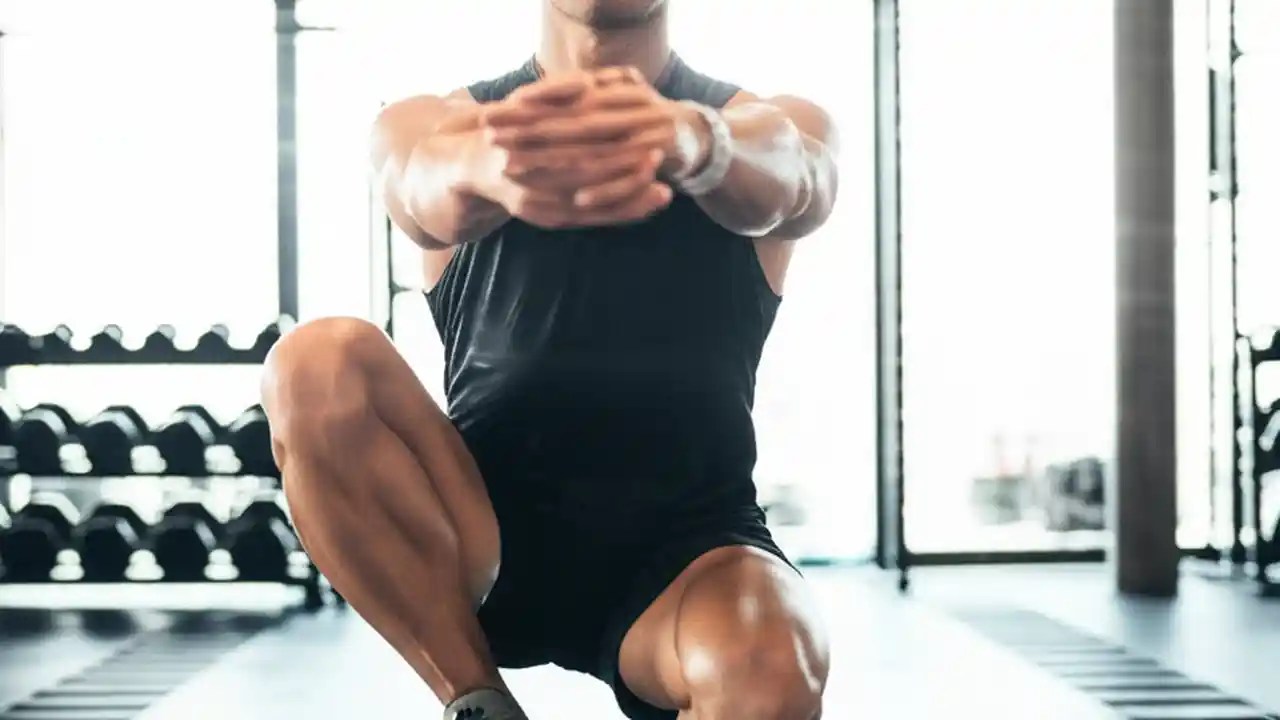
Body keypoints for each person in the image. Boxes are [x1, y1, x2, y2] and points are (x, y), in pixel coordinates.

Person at [261, 0, 839, 718]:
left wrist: (695, 143)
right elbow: (420, 186)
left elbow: (796, 175)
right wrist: (492, 163)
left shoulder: (771, 124)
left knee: (770, 669)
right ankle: (476, 701)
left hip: (690, 554)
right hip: (479, 532)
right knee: (313, 363)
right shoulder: (435, 124)